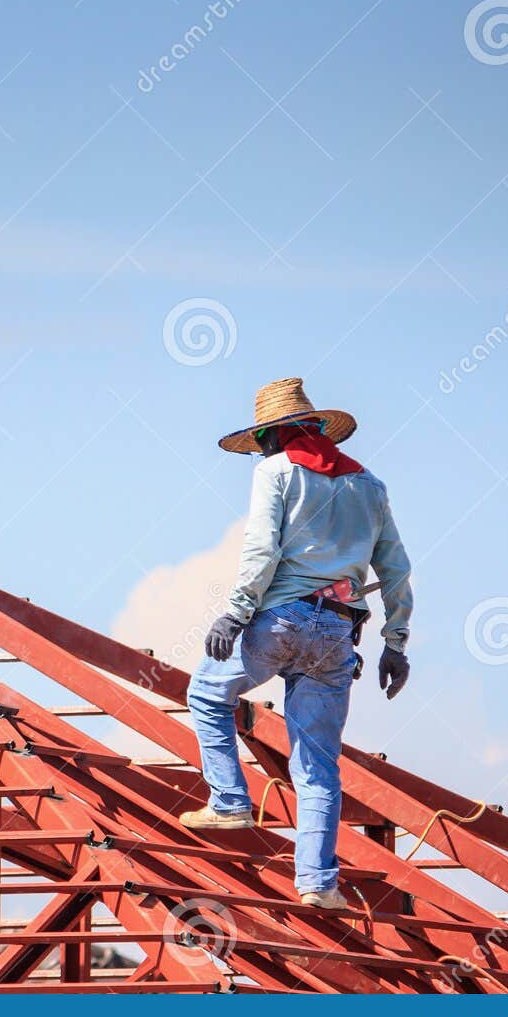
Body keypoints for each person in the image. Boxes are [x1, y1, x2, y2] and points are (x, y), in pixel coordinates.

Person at [181, 378, 412, 911]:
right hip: (337, 635)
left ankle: (229, 800)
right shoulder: (370, 486)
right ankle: (318, 884)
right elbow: (397, 569)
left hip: (282, 619)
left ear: (273, 435)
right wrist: (395, 642)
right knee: (317, 766)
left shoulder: (276, 471)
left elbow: (262, 548)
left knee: (207, 693)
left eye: (262, 442)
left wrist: (235, 612)